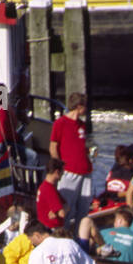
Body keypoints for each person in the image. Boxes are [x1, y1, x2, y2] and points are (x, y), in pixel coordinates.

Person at [49, 94, 93, 230]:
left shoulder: (82, 125)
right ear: (79, 107)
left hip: (86, 171)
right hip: (69, 171)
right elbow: (53, 146)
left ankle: (81, 237)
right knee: (66, 208)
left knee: (84, 207)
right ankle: (63, 234)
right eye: (85, 106)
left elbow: (79, 145)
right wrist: (59, 167)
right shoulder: (60, 123)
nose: (86, 109)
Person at [99, 144, 133, 209]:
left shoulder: (111, 173)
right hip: (123, 203)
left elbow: (108, 191)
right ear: (130, 160)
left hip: (109, 201)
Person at [36, 159, 67, 231]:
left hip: (45, 227)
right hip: (51, 229)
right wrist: (60, 211)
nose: (63, 174)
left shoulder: (44, 186)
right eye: (62, 172)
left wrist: (57, 212)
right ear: (57, 172)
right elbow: (62, 214)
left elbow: (66, 205)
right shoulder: (49, 189)